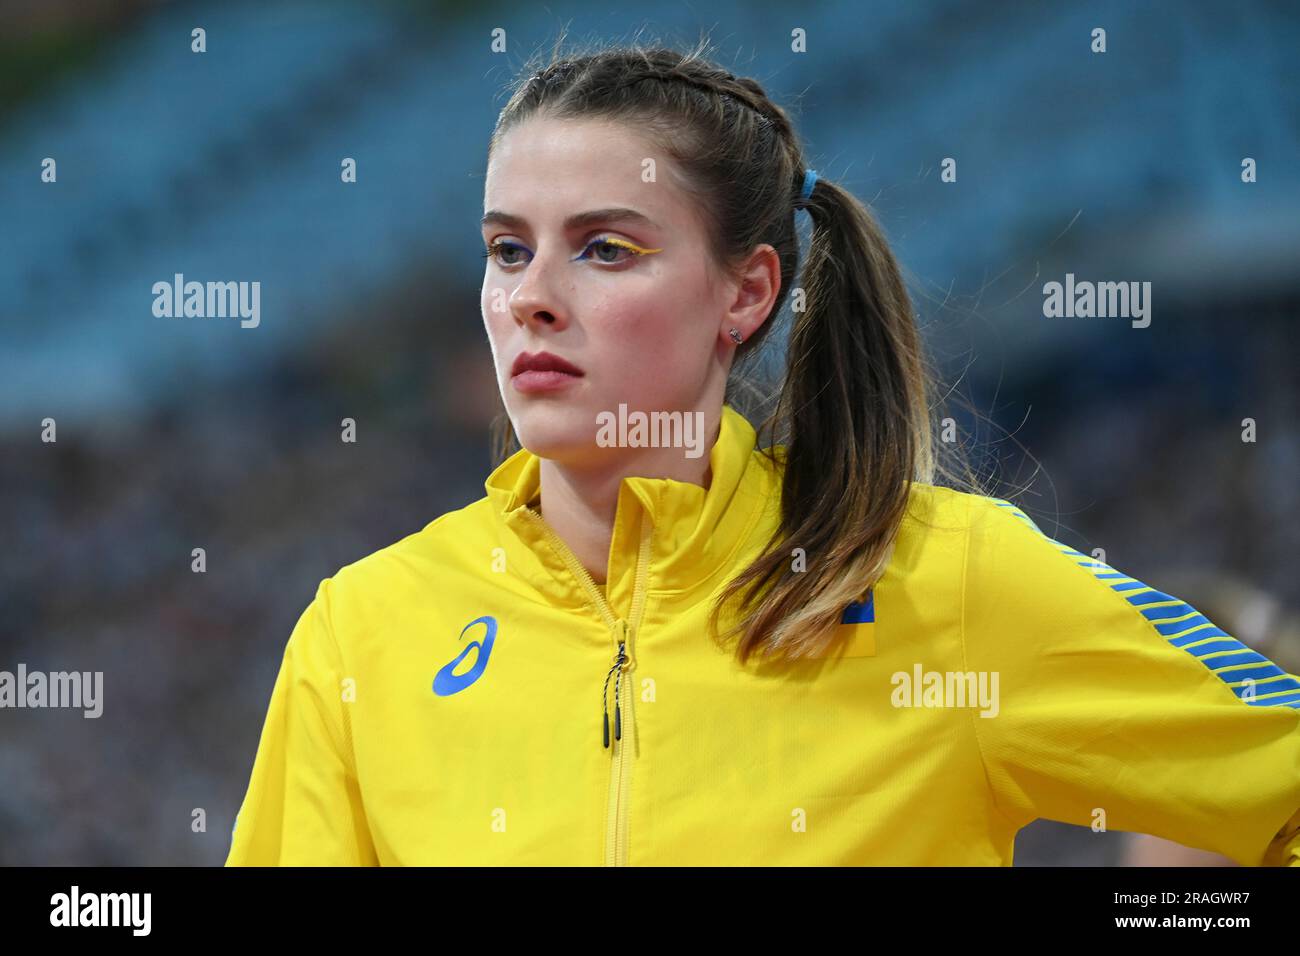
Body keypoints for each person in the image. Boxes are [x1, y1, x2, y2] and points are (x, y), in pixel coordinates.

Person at [225, 43, 1300, 866]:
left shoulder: (938, 578)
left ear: (744, 291)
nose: (531, 297)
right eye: (508, 249)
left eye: (606, 248)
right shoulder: (362, 633)